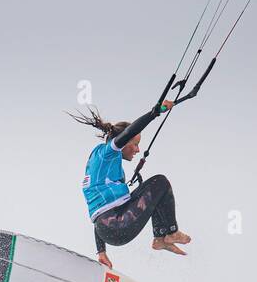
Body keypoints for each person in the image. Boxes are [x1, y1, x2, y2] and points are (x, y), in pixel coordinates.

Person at [70, 102, 192, 268]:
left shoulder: (100, 166)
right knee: (160, 182)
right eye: (134, 144)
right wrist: (155, 112)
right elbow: (129, 131)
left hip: (107, 228)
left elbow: (98, 214)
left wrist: (101, 252)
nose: (137, 150)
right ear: (123, 142)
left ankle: (161, 238)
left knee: (154, 191)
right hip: (117, 225)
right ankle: (170, 232)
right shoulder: (108, 152)